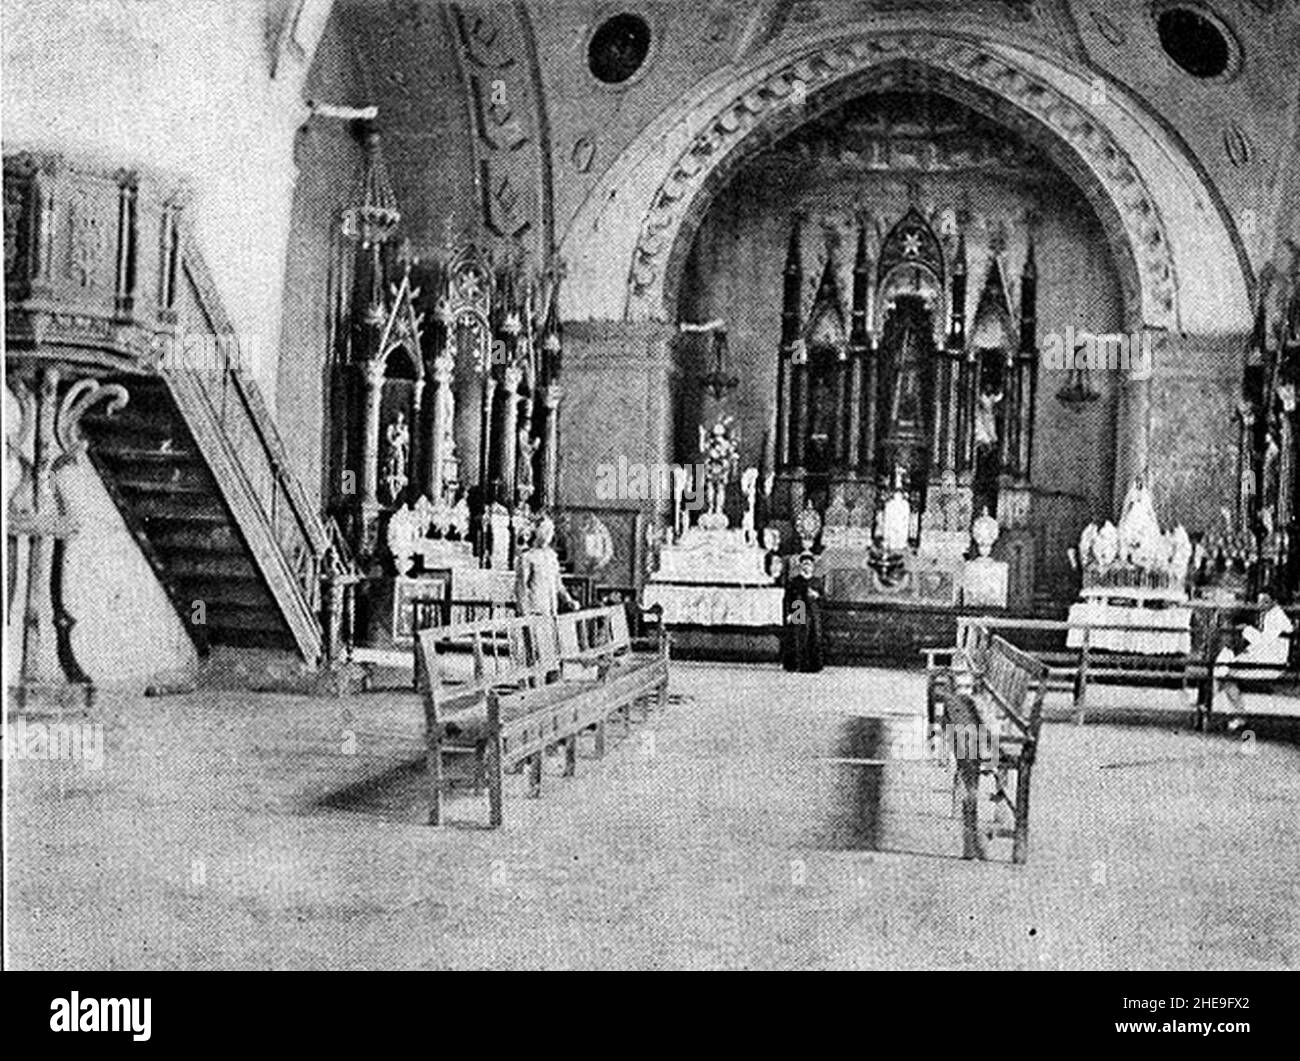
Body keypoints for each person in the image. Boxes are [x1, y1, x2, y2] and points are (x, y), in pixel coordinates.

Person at [516, 517, 578, 617]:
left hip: (551, 611)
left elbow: (558, 583)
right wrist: (524, 613)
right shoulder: (527, 557)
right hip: (535, 612)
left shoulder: (552, 557)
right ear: (537, 532)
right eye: (545, 530)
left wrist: (568, 600)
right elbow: (521, 587)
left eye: (550, 531)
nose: (548, 534)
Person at [781, 552, 824, 673]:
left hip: (813, 612)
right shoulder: (794, 581)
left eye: (809, 564)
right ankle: (796, 665)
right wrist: (789, 613)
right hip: (799, 610)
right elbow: (788, 599)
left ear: (813, 567)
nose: (807, 566)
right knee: (798, 638)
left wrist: (817, 595)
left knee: (813, 637)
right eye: (804, 564)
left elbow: (823, 599)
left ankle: (813, 666)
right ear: (801, 566)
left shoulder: (817, 581)